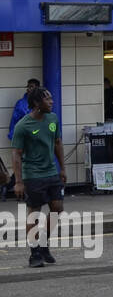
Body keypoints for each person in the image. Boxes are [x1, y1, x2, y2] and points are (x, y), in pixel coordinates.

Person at [11, 86, 66, 267]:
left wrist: (63, 169)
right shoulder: (23, 125)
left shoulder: (53, 118)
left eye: (51, 98)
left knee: (57, 209)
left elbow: (58, 143)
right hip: (33, 175)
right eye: (48, 99)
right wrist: (18, 182)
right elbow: (16, 154)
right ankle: (34, 253)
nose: (52, 102)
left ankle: (43, 243)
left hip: (51, 173)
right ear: (36, 103)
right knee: (34, 214)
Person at [3, 78, 40, 201]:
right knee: (24, 165)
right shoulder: (21, 104)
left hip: (35, 140)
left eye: (32, 87)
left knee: (28, 166)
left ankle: (10, 186)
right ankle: (16, 188)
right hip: (23, 139)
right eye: (28, 87)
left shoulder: (42, 103)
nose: (29, 89)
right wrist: (14, 136)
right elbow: (15, 122)